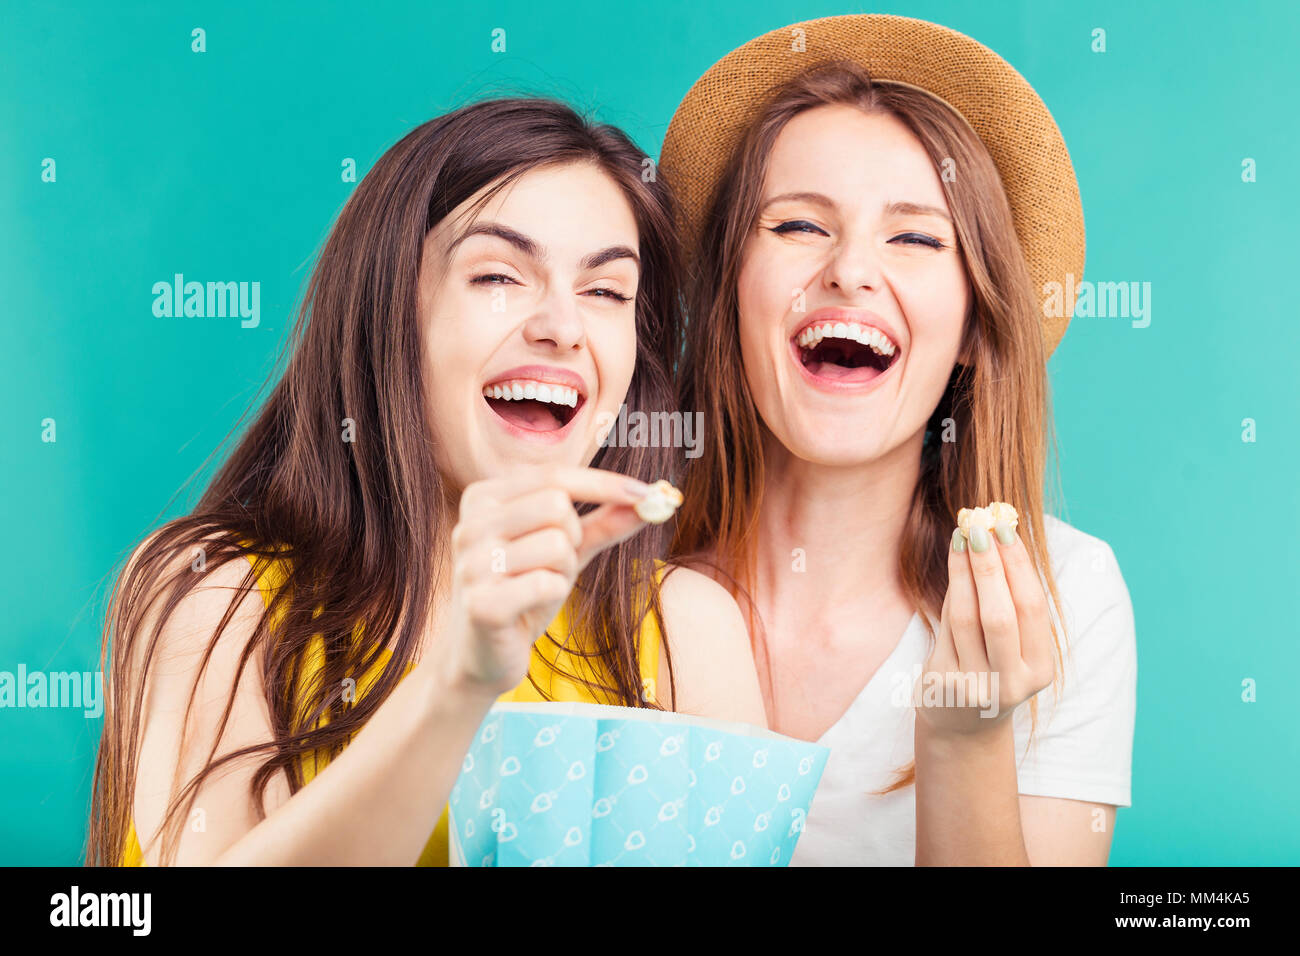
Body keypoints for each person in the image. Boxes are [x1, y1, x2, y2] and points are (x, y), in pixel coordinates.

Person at [88, 96, 765, 867]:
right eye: (499, 276)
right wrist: (459, 683)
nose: (562, 327)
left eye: (606, 291)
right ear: (388, 314)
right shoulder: (218, 596)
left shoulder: (685, 629)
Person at [660, 14, 1137, 865]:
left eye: (915, 237)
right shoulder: (600, 567)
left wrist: (965, 741)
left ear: (973, 326)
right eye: (799, 226)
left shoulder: (1071, 593)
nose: (849, 270)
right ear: (729, 290)